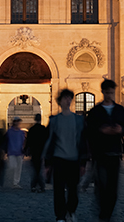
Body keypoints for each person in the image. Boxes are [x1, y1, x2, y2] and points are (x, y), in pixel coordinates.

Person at [87, 79, 124, 222]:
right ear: (103, 92)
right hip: (100, 154)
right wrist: (101, 130)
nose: (109, 95)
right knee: (102, 186)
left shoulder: (120, 110)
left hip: (115, 153)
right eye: (107, 92)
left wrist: (120, 130)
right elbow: (88, 132)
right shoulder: (95, 111)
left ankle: (107, 213)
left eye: (111, 92)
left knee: (113, 188)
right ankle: (104, 214)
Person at [44, 89, 88, 222]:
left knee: (73, 190)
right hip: (59, 159)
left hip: (74, 159)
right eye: (65, 98)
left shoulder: (78, 120)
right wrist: (47, 163)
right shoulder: (54, 120)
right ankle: (60, 216)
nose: (68, 100)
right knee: (58, 190)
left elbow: (83, 141)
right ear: (60, 101)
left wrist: (83, 163)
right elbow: (49, 142)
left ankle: (71, 210)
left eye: (70, 98)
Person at [25, 112, 49, 192]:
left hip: (34, 151)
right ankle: (40, 186)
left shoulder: (32, 129)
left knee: (36, 169)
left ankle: (34, 185)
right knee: (39, 169)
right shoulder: (43, 129)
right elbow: (46, 140)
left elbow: (28, 141)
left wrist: (26, 149)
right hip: (42, 151)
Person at [5, 117, 27, 188]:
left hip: (19, 152)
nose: (17, 123)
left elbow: (24, 142)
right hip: (11, 151)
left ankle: (16, 182)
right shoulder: (9, 132)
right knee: (13, 166)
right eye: (16, 121)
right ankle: (12, 180)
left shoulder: (21, 132)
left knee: (18, 168)